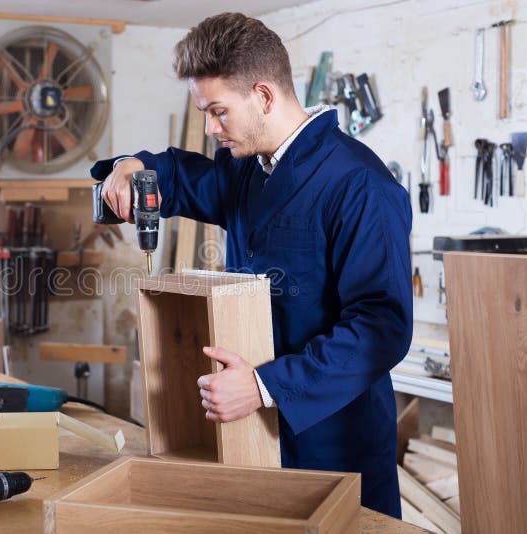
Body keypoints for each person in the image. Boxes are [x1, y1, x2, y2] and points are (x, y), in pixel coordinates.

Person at [91, 12, 412, 518]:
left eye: (218, 111)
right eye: (203, 111)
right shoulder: (247, 171)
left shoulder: (360, 185)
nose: (208, 127)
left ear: (263, 96)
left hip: (333, 446)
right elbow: (177, 175)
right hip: (251, 440)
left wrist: (265, 386)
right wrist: (132, 166)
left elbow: (383, 328)